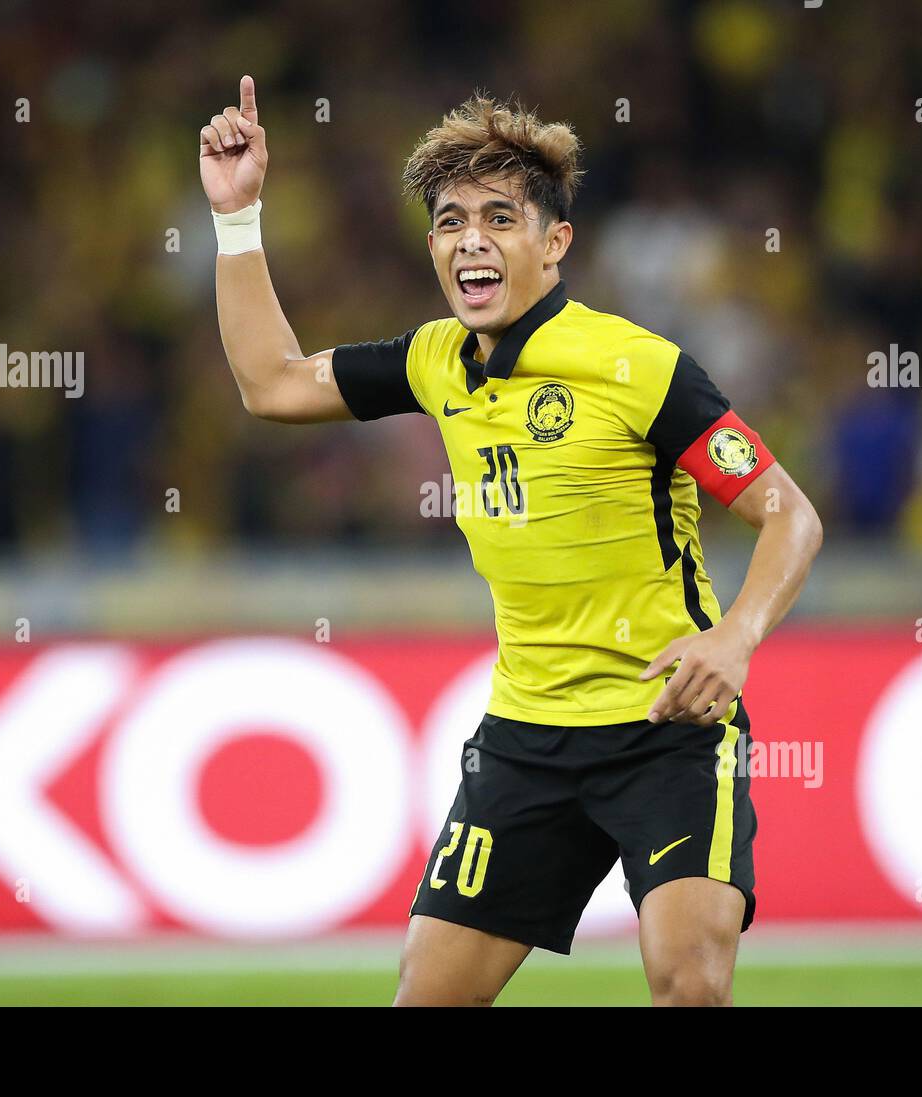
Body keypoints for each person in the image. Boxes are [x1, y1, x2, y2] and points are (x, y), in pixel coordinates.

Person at [199, 77, 823, 1006]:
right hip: (525, 744)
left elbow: (789, 512)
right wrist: (239, 218)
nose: (472, 240)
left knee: (690, 984)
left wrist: (733, 637)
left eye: (500, 217)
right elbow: (273, 384)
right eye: (451, 222)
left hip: (666, 733)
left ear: (555, 242)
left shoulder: (640, 367)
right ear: (433, 248)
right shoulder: (434, 361)